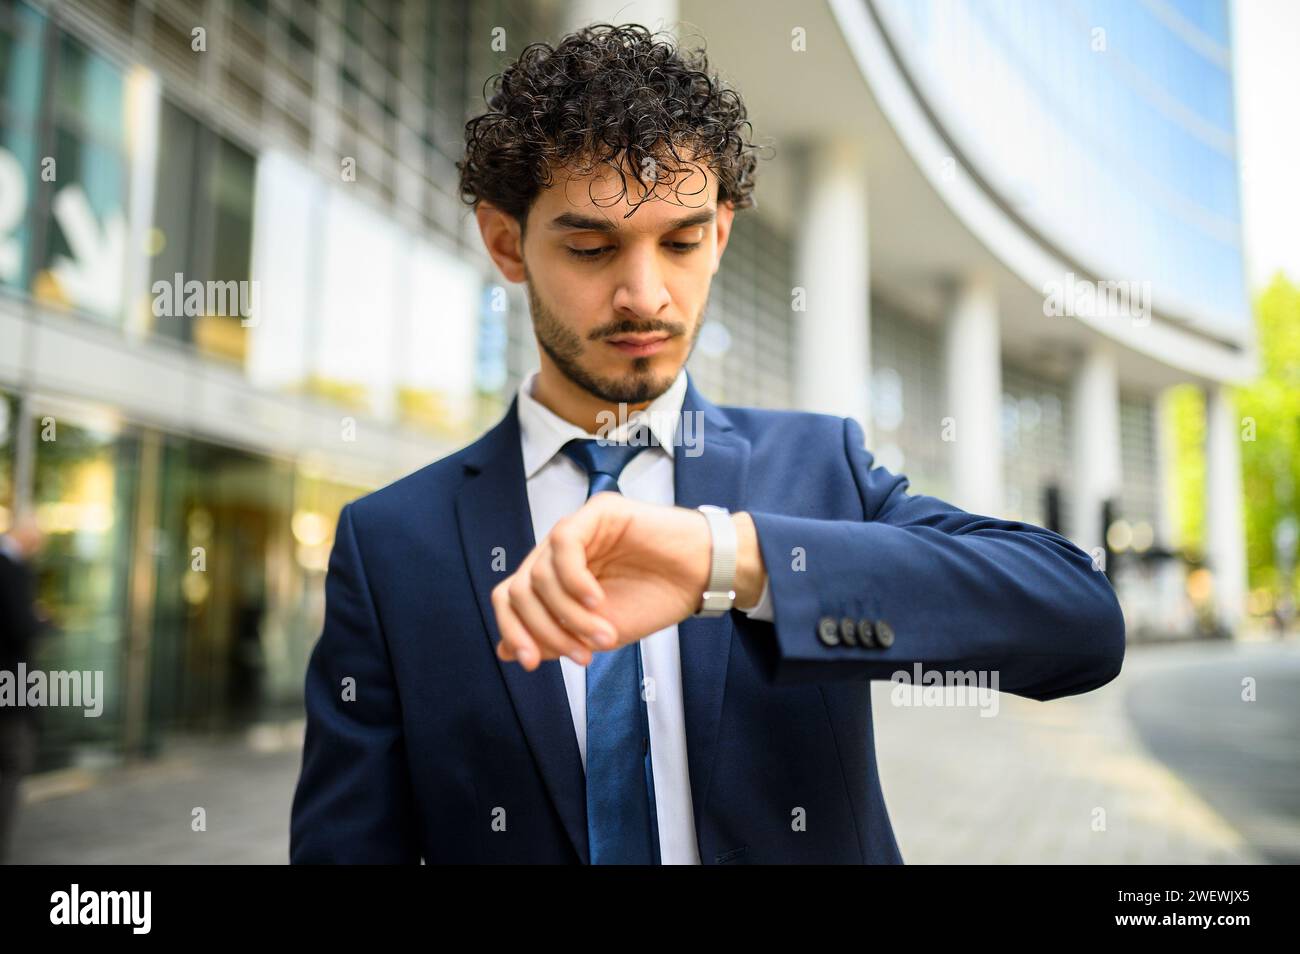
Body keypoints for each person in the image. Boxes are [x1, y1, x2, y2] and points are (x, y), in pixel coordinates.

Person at [290, 23, 1125, 865]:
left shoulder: (816, 471)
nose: (645, 295)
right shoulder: (392, 546)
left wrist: (730, 560)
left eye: (681, 242)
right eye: (591, 246)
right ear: (507, 243)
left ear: (720, 237)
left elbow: (1080, 623)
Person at [0, 516, 46, 863]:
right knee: (12, 763)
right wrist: (41, 620)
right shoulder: (12, 570)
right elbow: (21, 626)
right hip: (10, 689)